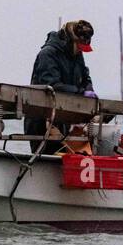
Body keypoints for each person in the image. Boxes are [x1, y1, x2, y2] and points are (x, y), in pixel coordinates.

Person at [26, 19, 98, 153]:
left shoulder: (77, 55)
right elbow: (52, 85)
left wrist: (88, 88)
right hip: (41, 122)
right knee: (47, 158)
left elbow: (85, 77)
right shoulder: (47, 54)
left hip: (63, 120)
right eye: (80, 47)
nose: (80, 51)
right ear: (71, 40)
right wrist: (80, 92)